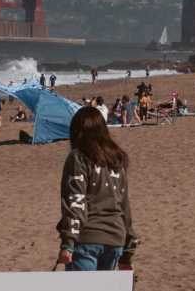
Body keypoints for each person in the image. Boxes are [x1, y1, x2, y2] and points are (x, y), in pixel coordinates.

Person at [56, 105, 136, 272]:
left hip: (87, 237)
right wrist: (128, 249)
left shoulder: (79, 157)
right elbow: (124, 206)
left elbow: (76, 200)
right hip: (115, 238)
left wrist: (68, 243)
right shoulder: (116, 161)